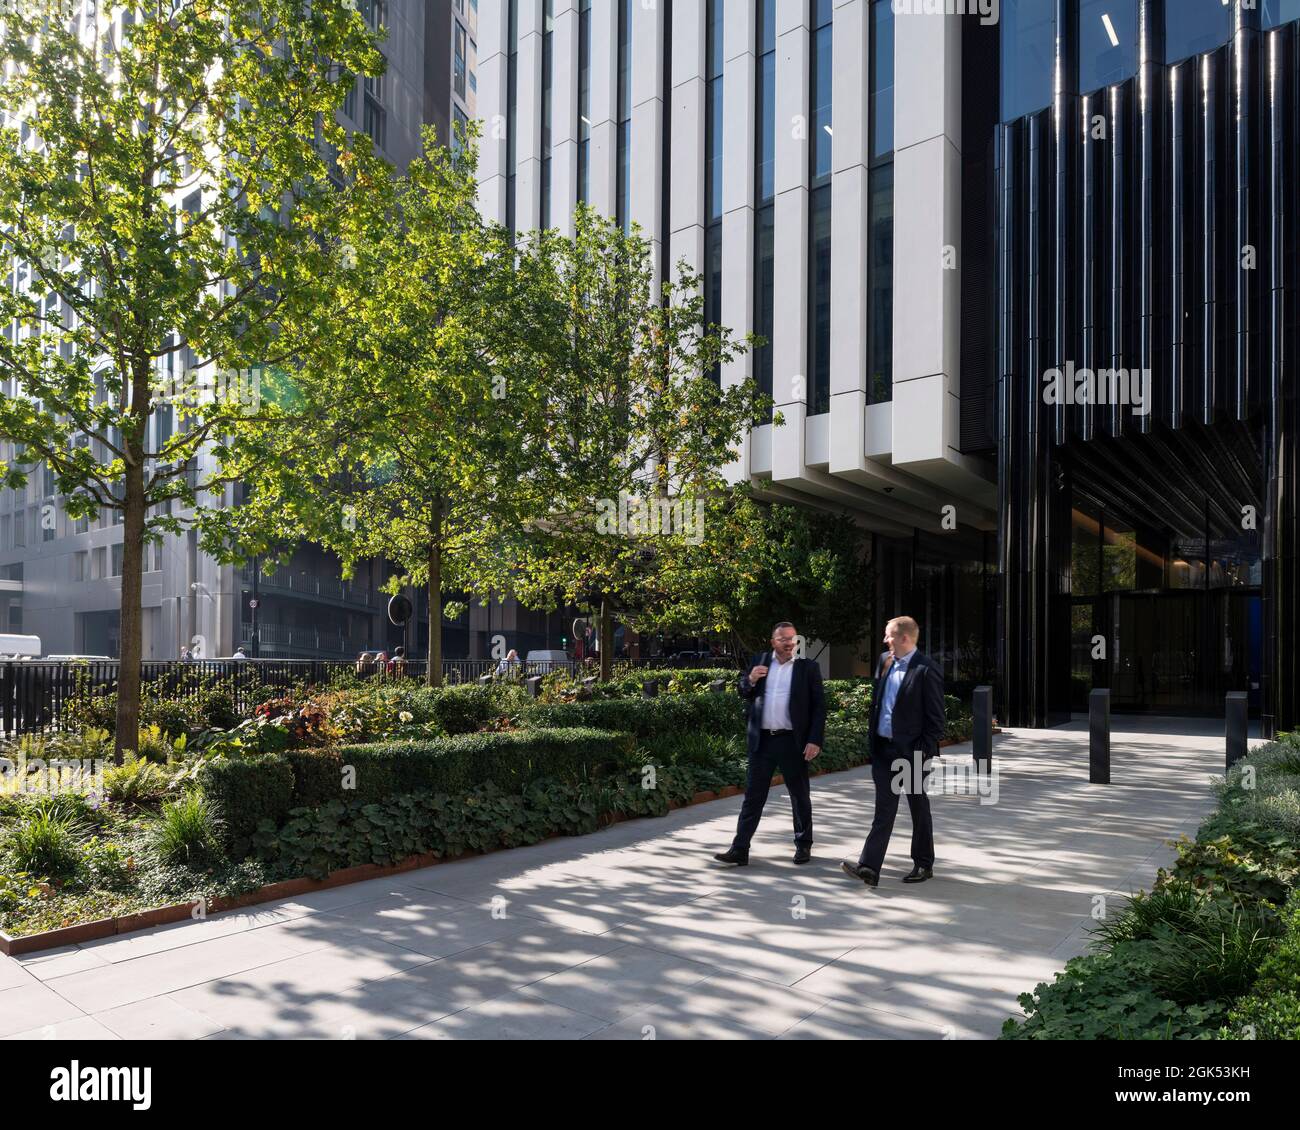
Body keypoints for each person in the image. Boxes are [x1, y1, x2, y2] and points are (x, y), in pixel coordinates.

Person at [842, 616, 945, 888]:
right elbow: (878, 704)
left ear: (904, 638)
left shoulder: (926, 669)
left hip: (911, 754)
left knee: (917, 807)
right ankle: (869, 868)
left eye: (888, 635)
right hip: (884, 750)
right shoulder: (884, 662)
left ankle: (924, 863)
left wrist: (919, 754)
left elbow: (936, 722)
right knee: (883, 810)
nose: (885, 640)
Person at [714, 622, 825, 867]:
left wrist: (814, 740)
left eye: (792, 638)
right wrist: (750, 680)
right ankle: (739, 849)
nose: (788, 643)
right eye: (783, 639)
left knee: (799, 795)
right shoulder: (760, 661)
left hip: (791, 742)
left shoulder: (808, 668)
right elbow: (743, 691)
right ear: (773, 641)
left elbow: (819, 708)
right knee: (753, 797)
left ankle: (803, 844)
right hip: (762, 742)